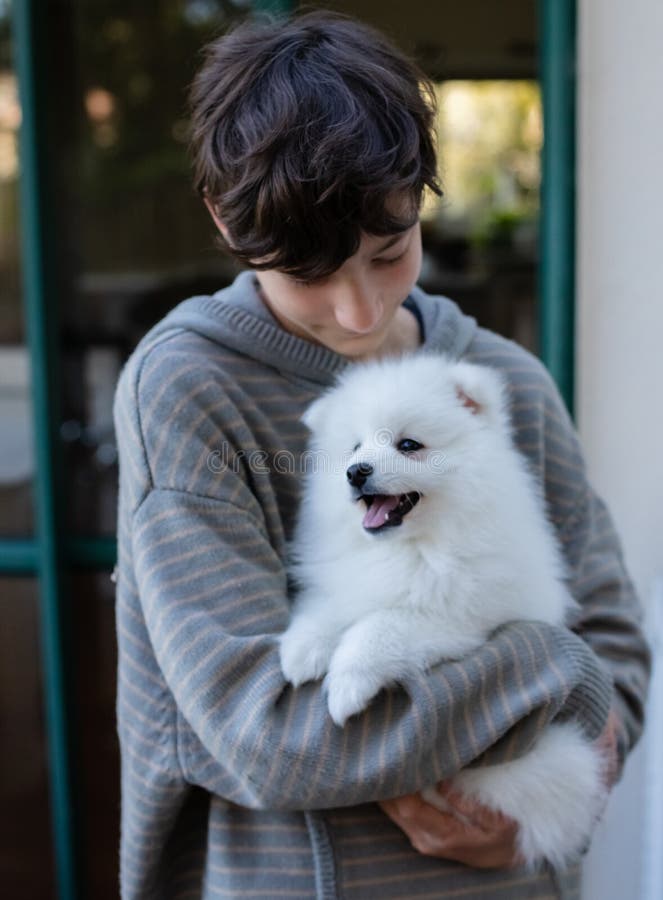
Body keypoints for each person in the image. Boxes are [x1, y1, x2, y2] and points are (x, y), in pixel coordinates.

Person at [113, 12, 650, 899]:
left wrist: (541, 813)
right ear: (223, 218)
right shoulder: (187, 387)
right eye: (308, 271)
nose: (359, 313)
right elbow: (268, 736)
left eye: (390, 252)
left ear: (419, 195)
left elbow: (612, 640)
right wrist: (549, 675)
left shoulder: (497, 380)